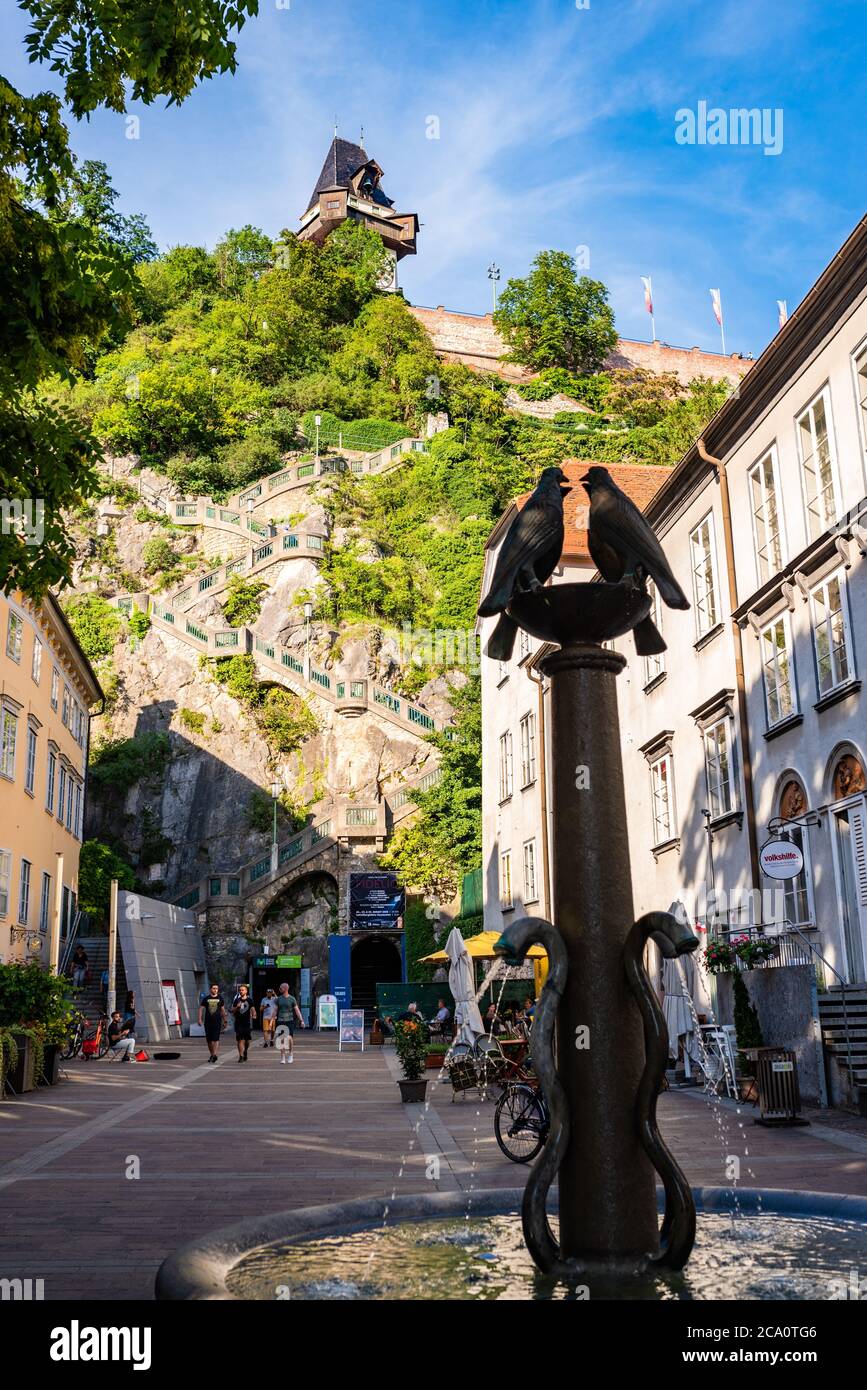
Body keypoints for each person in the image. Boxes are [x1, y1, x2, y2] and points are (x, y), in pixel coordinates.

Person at [274, 982, 305, 1065]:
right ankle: (283, 1057)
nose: (279, 989)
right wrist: (272, 1019)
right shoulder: (278, 999)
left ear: (285, 989)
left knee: (289, 1038)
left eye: (281, 988)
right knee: (281, 1039)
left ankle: (291, 1053)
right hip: (280, 1020)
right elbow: (275, 1010)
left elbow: (297, 1010)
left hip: (289, 1020)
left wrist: (301, 1020)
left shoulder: (292, 999)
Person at [198, 983, 227, 1063]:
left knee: (216, 1039)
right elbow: (201, 1009)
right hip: (208, 1022)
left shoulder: (220, 998)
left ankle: (214, 1055)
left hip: (217, 1021)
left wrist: (225, 1020)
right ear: (210, 989)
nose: (215, 990)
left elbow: (222, 1010)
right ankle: (212, 1055)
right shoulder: (206, 998)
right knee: (209, 1040)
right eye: (214, 988)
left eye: (216, 988)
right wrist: (200, 1019)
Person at [230, 984, 257, 1062]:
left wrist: (254, 1014)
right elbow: (232, 1011)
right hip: (238, 1023)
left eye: (242, 990)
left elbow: (253, 1009)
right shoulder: (236, 1000)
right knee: (240, 1040)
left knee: (247, 1040)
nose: (241, 991)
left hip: (246, 1023)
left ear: (246, 991)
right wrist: (236, 1007)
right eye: (240, 990)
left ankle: (245, 1051)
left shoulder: (249, 1000)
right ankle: (241, 1056)